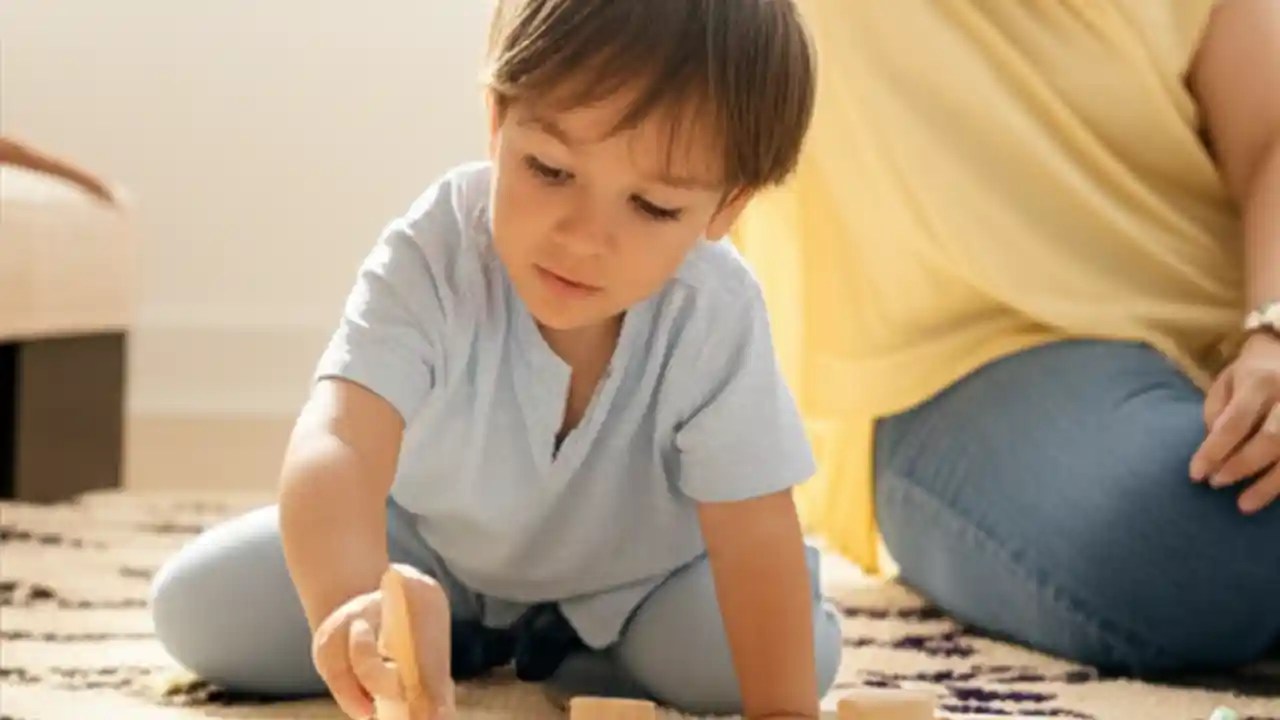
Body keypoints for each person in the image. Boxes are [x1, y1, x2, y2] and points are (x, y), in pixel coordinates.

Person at [149, 1, 841, 718]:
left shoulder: (716, 310)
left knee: (782, 657)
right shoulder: (435, 249)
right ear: (497, 120)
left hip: (637, 585)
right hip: (430, 557)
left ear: (727, 207)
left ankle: (573, 646)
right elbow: (342, 438)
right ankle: (460, 633)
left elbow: (755, 528)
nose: (582, 237)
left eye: (652, 207)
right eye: (549, 169)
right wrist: (354, 603)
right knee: (199, 608)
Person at [732, 0, 1280, 677]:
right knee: (1204, 539)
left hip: (1247, 328)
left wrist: (1275, 333)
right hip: (955, 372)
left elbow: (1271, 138)